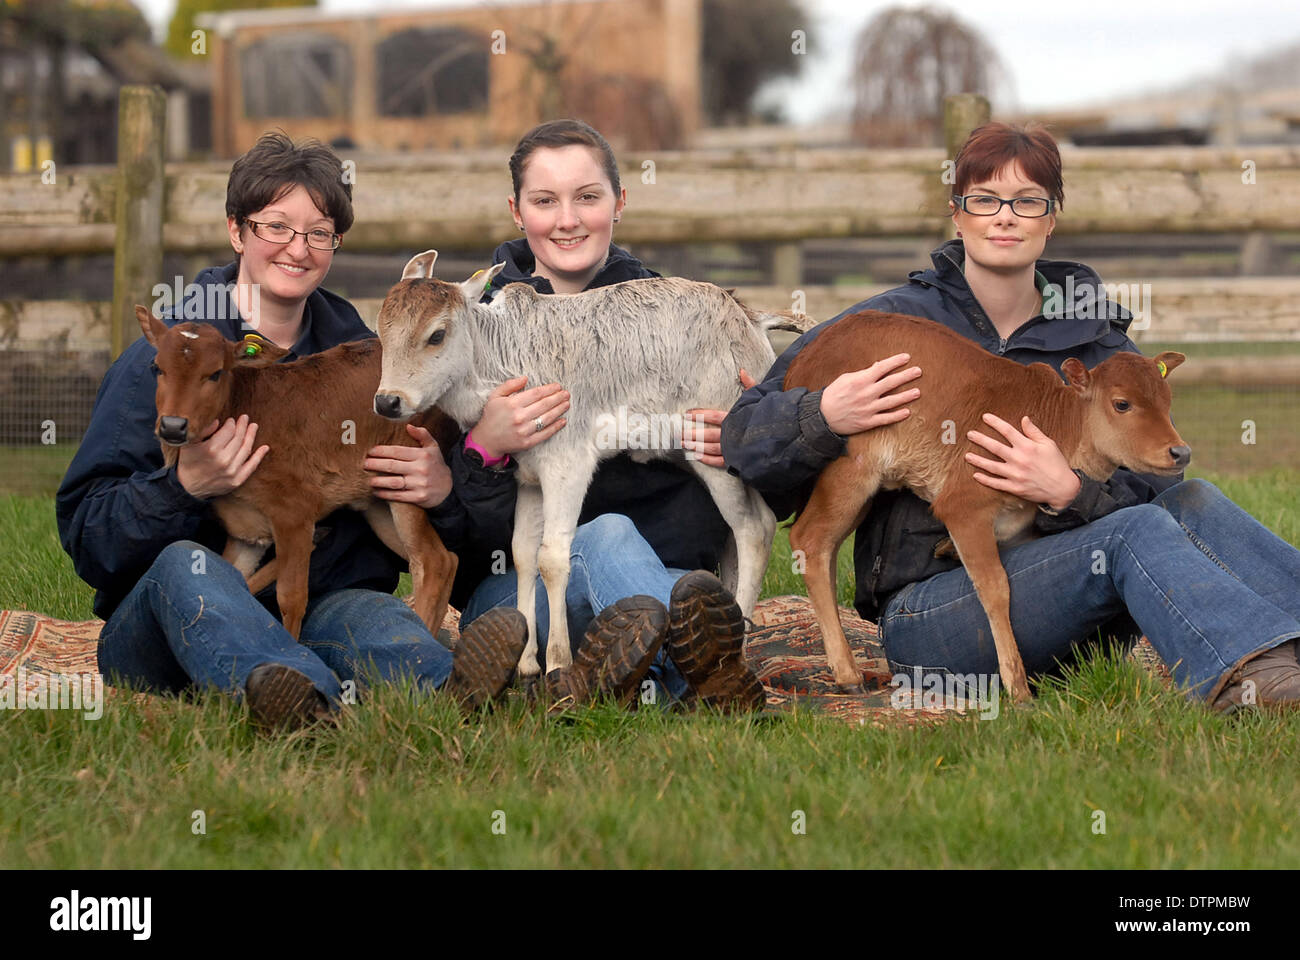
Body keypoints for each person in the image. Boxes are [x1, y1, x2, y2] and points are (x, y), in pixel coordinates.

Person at [722, 121, 1300, 712]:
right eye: (985, 200)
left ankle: (1281, 645)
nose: (1005, 216)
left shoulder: (1096, 343)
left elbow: (1152, 481)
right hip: (935, 614)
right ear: (958, 214)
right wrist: (823, 414)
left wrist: (1070, 492)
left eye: (1027, 202)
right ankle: (1254, 684)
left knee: (1193, 500)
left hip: (1074, 589)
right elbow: (744, 437)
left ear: (1050, 219)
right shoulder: (887, 323)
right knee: (1138, 531)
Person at [56, 132, 529, 731]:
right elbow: (87, 535)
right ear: (237, 231)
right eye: (275, 227)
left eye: (319, 233)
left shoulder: (359, 359)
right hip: (168, 616)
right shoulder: (168, 361)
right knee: (185, 567)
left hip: (323, 601)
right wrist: (184, 487)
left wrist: (441, 486)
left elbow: (433, 530)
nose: (297, 249)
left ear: (335, 244)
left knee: (378, 627)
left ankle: (460, 689)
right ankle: (297, 693)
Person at [434, 118, 766, 711]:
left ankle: (600, 678)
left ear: (619, 203)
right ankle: (701, 674)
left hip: (661, 578)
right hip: (519, 600)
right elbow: (456, 530)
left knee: (626, 552)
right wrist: (485, 449)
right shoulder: (467, 329)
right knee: (602, 538)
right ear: (516, 210)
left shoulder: (672, 319)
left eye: (588, 197)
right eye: (544, 201)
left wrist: (737, 441)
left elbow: (755, 475)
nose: (568, 219)